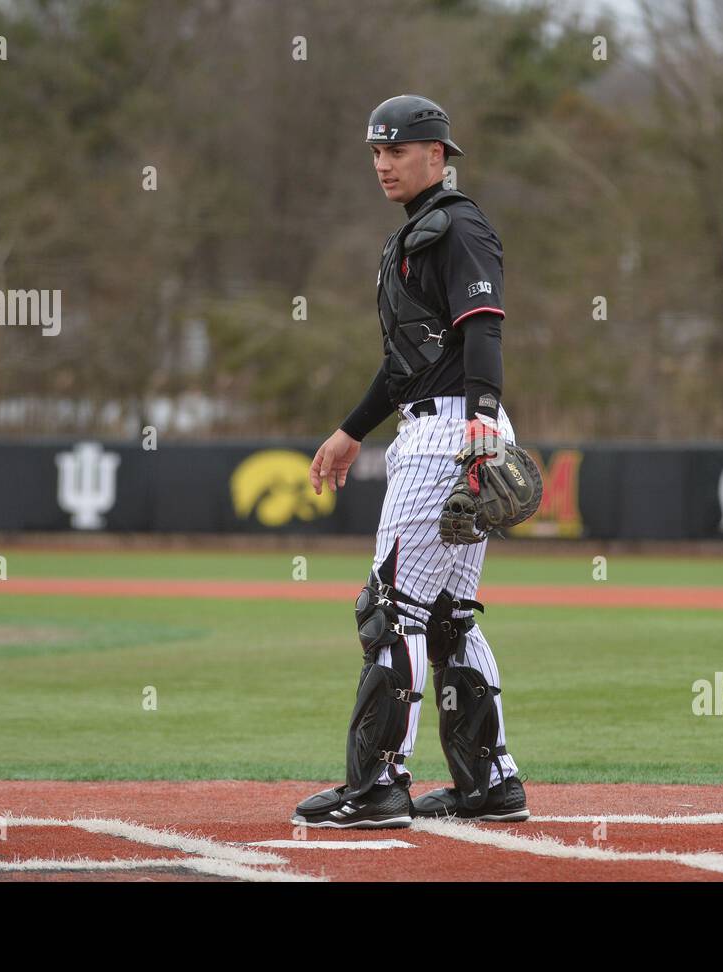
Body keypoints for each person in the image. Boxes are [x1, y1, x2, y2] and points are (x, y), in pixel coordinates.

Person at [290, 94, 528, 828]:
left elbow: (482, 324)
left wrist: (484, 421)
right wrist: (351, 430)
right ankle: (489, 783)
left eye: (396, 150)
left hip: (452, 434)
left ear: (438, 154)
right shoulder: (417, 236)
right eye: (375, 151)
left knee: (390, 609)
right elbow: (406, 367)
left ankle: (378, 785)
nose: (382, 163)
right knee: (448, 616)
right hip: (440, 424)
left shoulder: (457, 225)